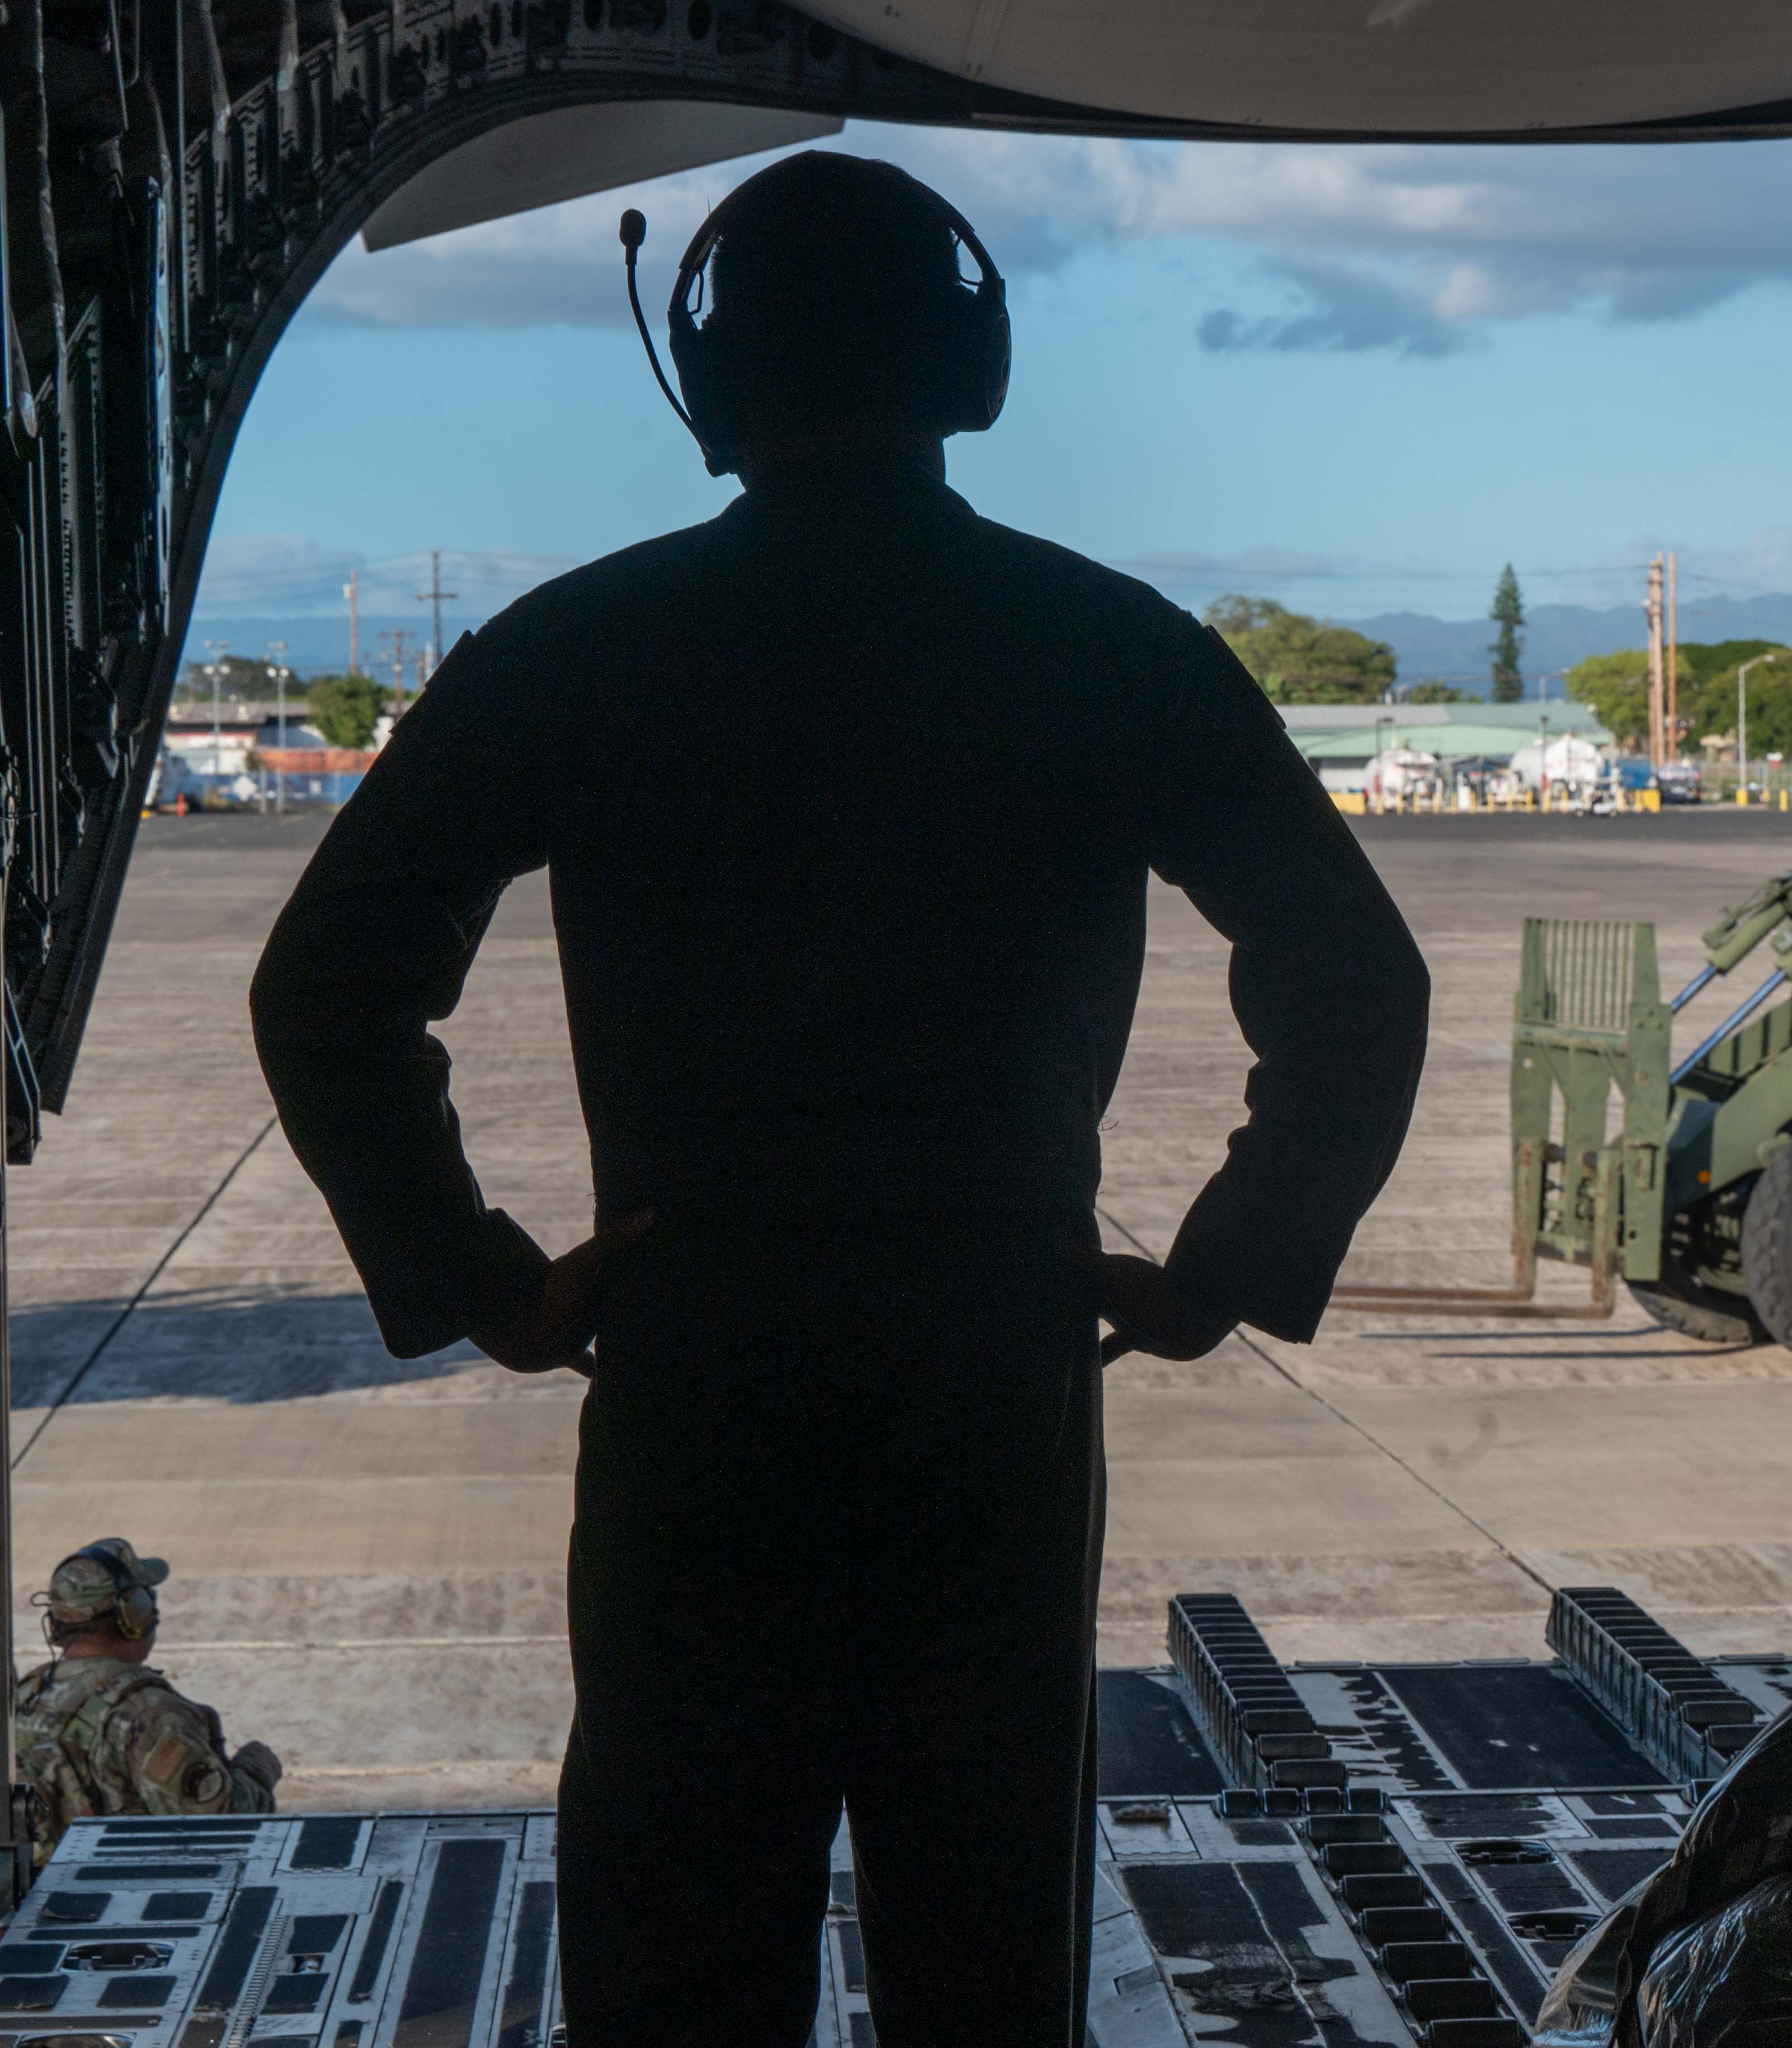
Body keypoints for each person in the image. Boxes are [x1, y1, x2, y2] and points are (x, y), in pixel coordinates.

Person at [248, 153, 1430, 2047]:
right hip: (993, 1361)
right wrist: (1221, 1266)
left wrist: (482, 1276)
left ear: (712, 389)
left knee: (676, 1954)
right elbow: (1359, 984)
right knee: (986, 1952)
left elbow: (326, 989)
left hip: (697, 1359)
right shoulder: (1115, 644)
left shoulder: (575, 645)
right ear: (972, 364)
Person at [15, 1539, 282, 1856]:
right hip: (112, 1885)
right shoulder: (148, 1712)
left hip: (33, 1883)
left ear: (56, 1623)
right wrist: (255, 1769)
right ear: (134, 1613)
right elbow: (219, 1828)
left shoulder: (27, 1693)